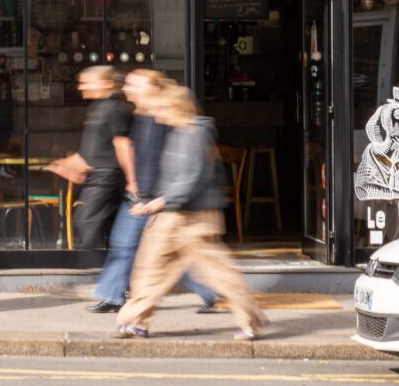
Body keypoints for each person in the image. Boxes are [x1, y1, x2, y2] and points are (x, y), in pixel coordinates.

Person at [114, 85, 267, 340]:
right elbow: (175, 177)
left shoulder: (193, 133)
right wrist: (154, 200)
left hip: (191, 217)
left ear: (176, 108)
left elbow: (192, 177)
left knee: (213, 272)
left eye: (162, 108)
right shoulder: (180, 132)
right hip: (177, 214)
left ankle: (250, 320)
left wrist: (161, 201)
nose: (157, 113)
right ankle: (136, 320)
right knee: (153, 269)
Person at [89, 70, 218, 314]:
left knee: (173, 253)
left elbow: (168, 161)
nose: (126, 88)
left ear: (152, 88)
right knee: (125, 245)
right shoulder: (141, 115)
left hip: (156, 197)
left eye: (133, 84)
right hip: (144, 195)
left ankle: (210, 291)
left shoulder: (162, 117)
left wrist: (153, 196)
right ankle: (114, 296)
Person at [69, 66, 135, 250]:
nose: (81, 87)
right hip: (97, 174)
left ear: (106, 84)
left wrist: (132, 180)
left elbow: (123, 144)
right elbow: (96, 142)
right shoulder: (97, 106)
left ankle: (87, 267)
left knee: (85, 220)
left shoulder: (115, 108)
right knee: (94, 221)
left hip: (106, 174)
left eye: (86, 83)